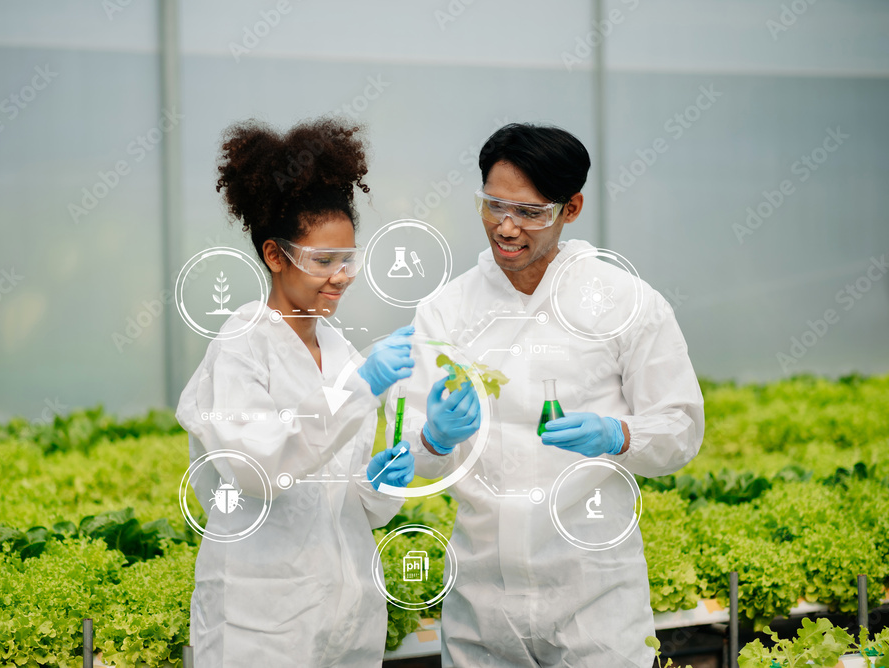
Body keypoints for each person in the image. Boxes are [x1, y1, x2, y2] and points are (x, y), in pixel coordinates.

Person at [405, 122, 705, 667]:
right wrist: (434, 435)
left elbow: (681, 429)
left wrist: (620, 434)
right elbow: (414, 459)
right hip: (481, 600)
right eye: (494, 205)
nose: (507, 227)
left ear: (571, 208)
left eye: (530, 212)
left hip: (594, 600)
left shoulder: (625, 302)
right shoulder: (445, 312)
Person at [175, 118, 416, 667]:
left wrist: (381, 484)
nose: (339, 277)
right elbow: (260, 468)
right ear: (275, 256)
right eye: (322, 262)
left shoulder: (344, 356)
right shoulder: (241, 348)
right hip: (263, 626)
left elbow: (357, 509)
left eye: (347, 261)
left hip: (347, 620)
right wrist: (359, 392)